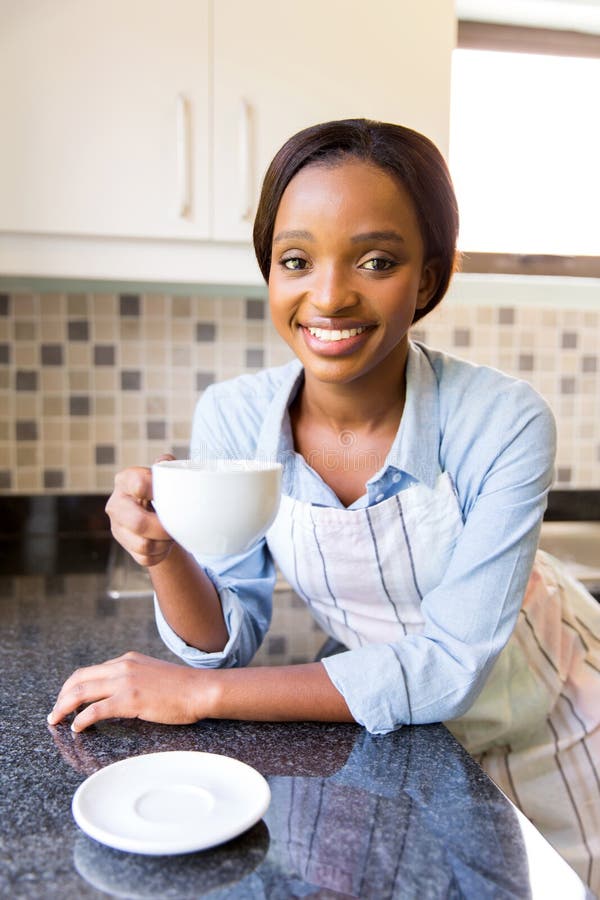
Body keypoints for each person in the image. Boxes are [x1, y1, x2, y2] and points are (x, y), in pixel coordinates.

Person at [48, 119, 600, 890]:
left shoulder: (502, 420)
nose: (330, 295)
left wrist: (200, 696)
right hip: (386, 727)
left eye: (376, 260)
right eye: (297, 260)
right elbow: (228, 635)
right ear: (270, 273)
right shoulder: (236, 418)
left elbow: (445, 669)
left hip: (546, 713)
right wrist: (167, 553)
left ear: (429, 279)